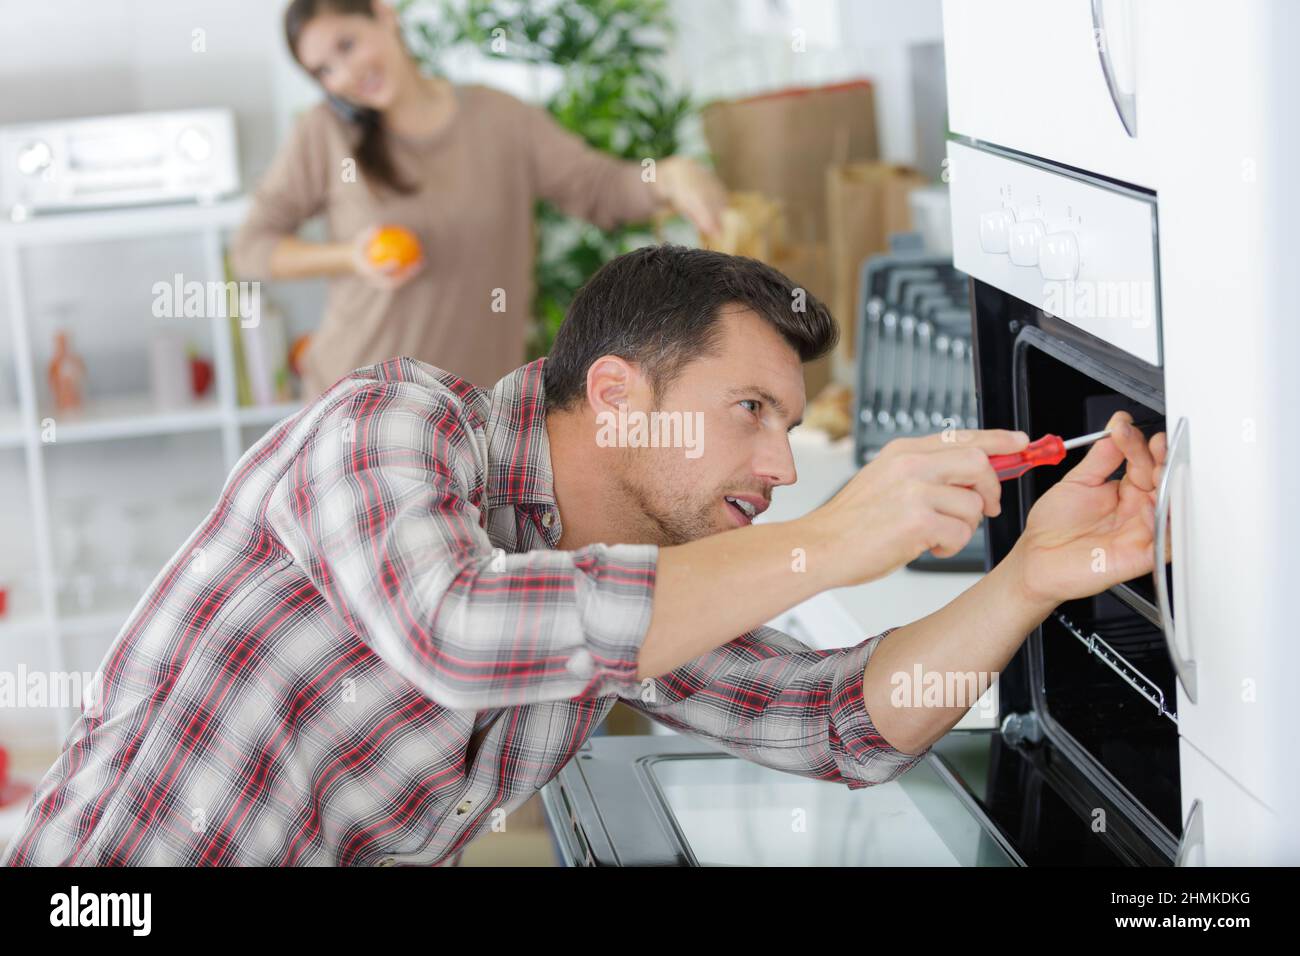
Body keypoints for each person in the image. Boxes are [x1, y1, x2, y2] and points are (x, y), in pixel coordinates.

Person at [0, 245, 1167, 866]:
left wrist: (1028, 578)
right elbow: (459, 630)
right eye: (749, 408)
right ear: (615, 396)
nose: (776, 460)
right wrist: (830, 538)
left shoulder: (633, 569)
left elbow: (834, 721)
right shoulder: (385, 428)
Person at [230, 0, 726, 399]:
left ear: (384, 13)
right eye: (324, 70)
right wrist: (351, 256)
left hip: (476, 408)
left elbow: (596, 186)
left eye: (348, 45)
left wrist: (667, 176)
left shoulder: (499, 117)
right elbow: (251, 247)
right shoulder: (326, 132)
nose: (345, 73)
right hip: (362, 404)